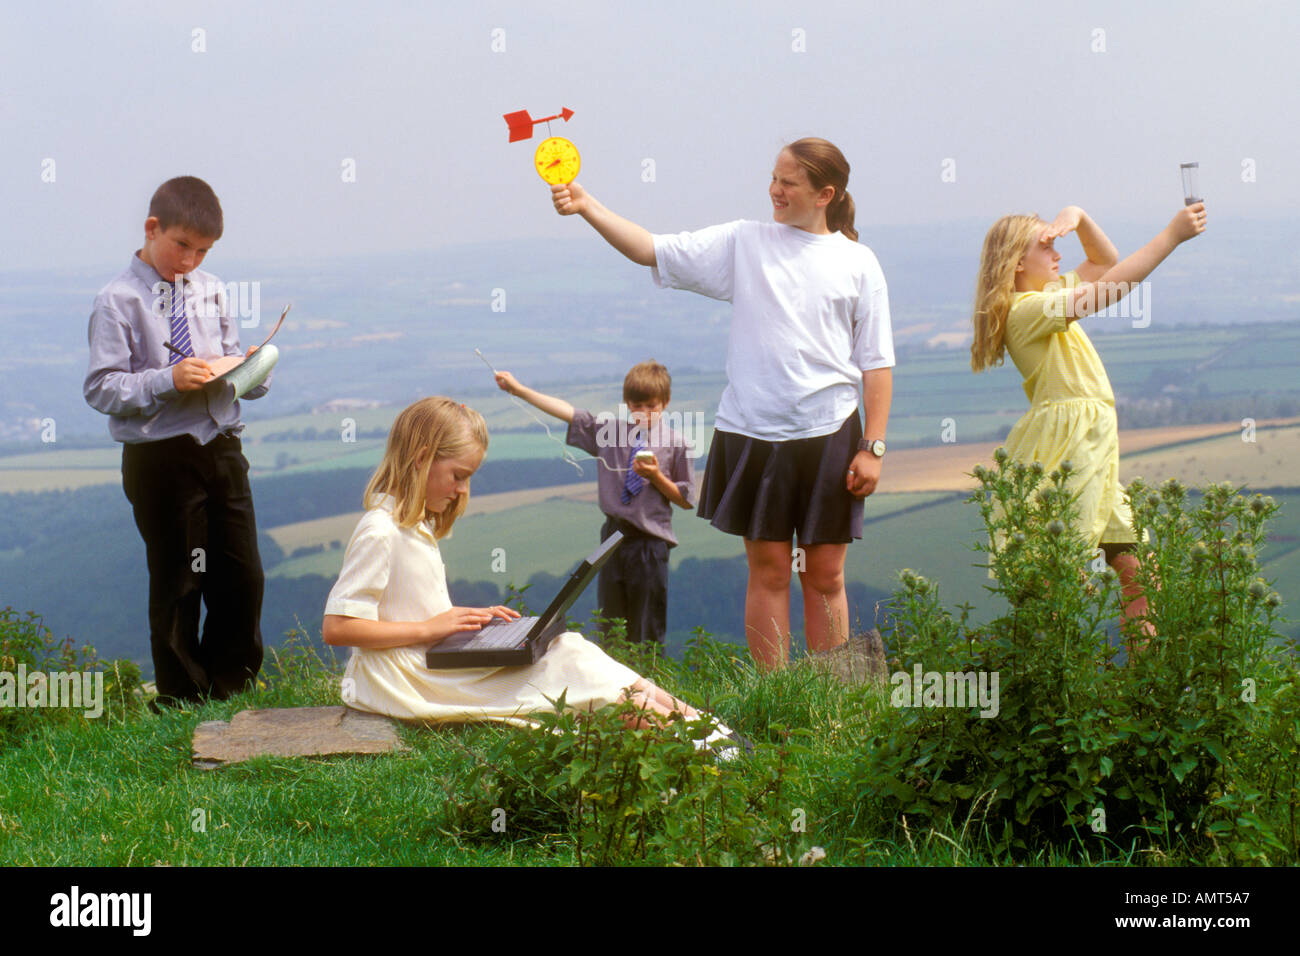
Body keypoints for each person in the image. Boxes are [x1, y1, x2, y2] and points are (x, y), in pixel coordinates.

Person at [549, 137, 894, 670]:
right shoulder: (744, 243)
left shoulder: (859, 262)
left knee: (824, 574)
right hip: (754, 433)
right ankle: (777, 697)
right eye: (774, 177)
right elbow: (650, 248)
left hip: (830, 433)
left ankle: (835, 699)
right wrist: (586, 204)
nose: (774, 190)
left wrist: (872, 446)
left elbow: (876, 363)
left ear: (826, 194)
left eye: (789, 183)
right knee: (771, 571)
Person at [321, 397, 734, 744]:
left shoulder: (412, 524)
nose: (462, 490)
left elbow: (411, 608)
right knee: (576, 674)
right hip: (404, 677)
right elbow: (338, 627)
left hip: (431, 659)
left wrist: (467, 622)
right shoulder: (379, 530)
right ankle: (704, 744)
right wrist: (432, 629)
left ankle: (705, 728)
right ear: (421, 459)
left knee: (570, 648)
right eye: (458, 475)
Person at [970, 201, 1208, 643]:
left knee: (1140, 574)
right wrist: (1171, 235)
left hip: (1096, 456)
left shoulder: (1045, 299)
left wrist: (1079, 218)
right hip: (1073, 454)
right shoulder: (1026, 310)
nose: (1057, 254)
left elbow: (1104, 261)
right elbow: (1112, 287)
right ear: (1018, 262)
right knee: (1061, 574)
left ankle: (1145, 683)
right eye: (1046, 246)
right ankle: (1055, 681)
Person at [84, 176, 268, 708]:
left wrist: (254, 371)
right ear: (152, 228)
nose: (190, 260)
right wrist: (167, 379)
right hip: (160, 458)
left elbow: (229, 359)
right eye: (181, 245)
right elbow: (101, 388)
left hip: (222, 445)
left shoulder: (212, 288)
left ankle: (231, 691)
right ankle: (181, 701)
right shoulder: (116, 300)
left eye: (203, 250)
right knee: (180, 582)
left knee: (242, 574)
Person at [492, 361, 695, 649]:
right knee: (611, 624)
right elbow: (569, 413)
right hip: (612, 539)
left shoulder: (678, 444)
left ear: (666, 403)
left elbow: (685, 499)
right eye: (638, 406)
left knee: (647, 626)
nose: (645, 413)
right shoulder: (608, 433)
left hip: (651, 544)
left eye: (652, 406)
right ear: (627, 403)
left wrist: (656, 477)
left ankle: (648, 685)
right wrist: (519, 390)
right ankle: (614, 689)